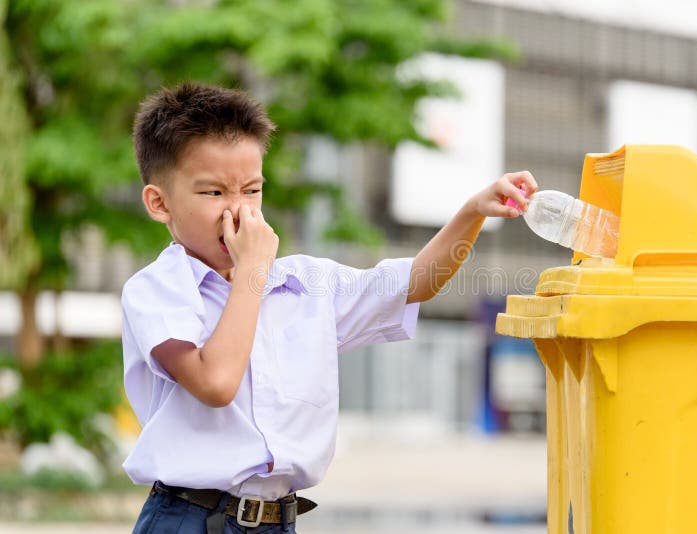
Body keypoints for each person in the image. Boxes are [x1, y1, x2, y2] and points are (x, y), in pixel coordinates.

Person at [122, 82, 537, 534]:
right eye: (213, 194)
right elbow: (217, 382)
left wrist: (472, 212)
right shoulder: (157, 290)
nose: (238, 212)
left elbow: (418, 282)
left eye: (252, 190)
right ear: (159, 203)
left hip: (278, 520)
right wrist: (253, 272)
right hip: (188, 518)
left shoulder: (305, 284)